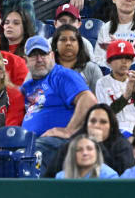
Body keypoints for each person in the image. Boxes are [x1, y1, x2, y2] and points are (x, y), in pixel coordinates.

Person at [21, 36, 97, 166]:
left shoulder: (61, 75)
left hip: (56, 144)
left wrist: (68, 130)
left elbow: (88, 100)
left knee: (27, 158)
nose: (39, 59)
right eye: (33, 55)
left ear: (52, 56)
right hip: (31, 144)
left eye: (43, 54)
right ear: (25, 61)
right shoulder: (27, 87)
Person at [44, 104, 134, 177]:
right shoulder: (71, 144)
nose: (97, 126)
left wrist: (98, 144)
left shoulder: (123, 147)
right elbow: (50, 177)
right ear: (86, 125)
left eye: (103, 122)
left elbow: (123, 180)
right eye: (93, 121)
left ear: (111, 126)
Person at [95, 40, 135, 135]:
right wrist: (126, 96)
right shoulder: (102, 83)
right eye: (119, 57)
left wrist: (134, 91)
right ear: (109, 61)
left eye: (128, 58)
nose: (124, 61)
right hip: (115, 128)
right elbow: (107, 113)